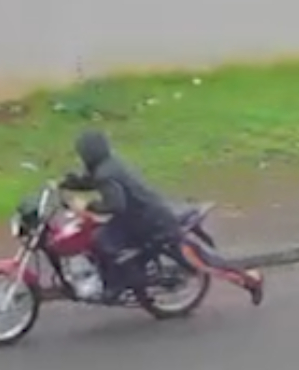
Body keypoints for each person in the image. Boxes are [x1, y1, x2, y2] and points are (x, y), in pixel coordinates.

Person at [59, 129, 265, 306]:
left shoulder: (106, 173)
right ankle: (115, 281)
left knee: (202, 262)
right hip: (134, 219)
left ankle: (251, 279)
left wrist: (87, 205)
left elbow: (115, 204)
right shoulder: (108, 165)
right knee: (98, 239)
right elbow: (92, 181)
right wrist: (70, 183)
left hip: (152, 224)